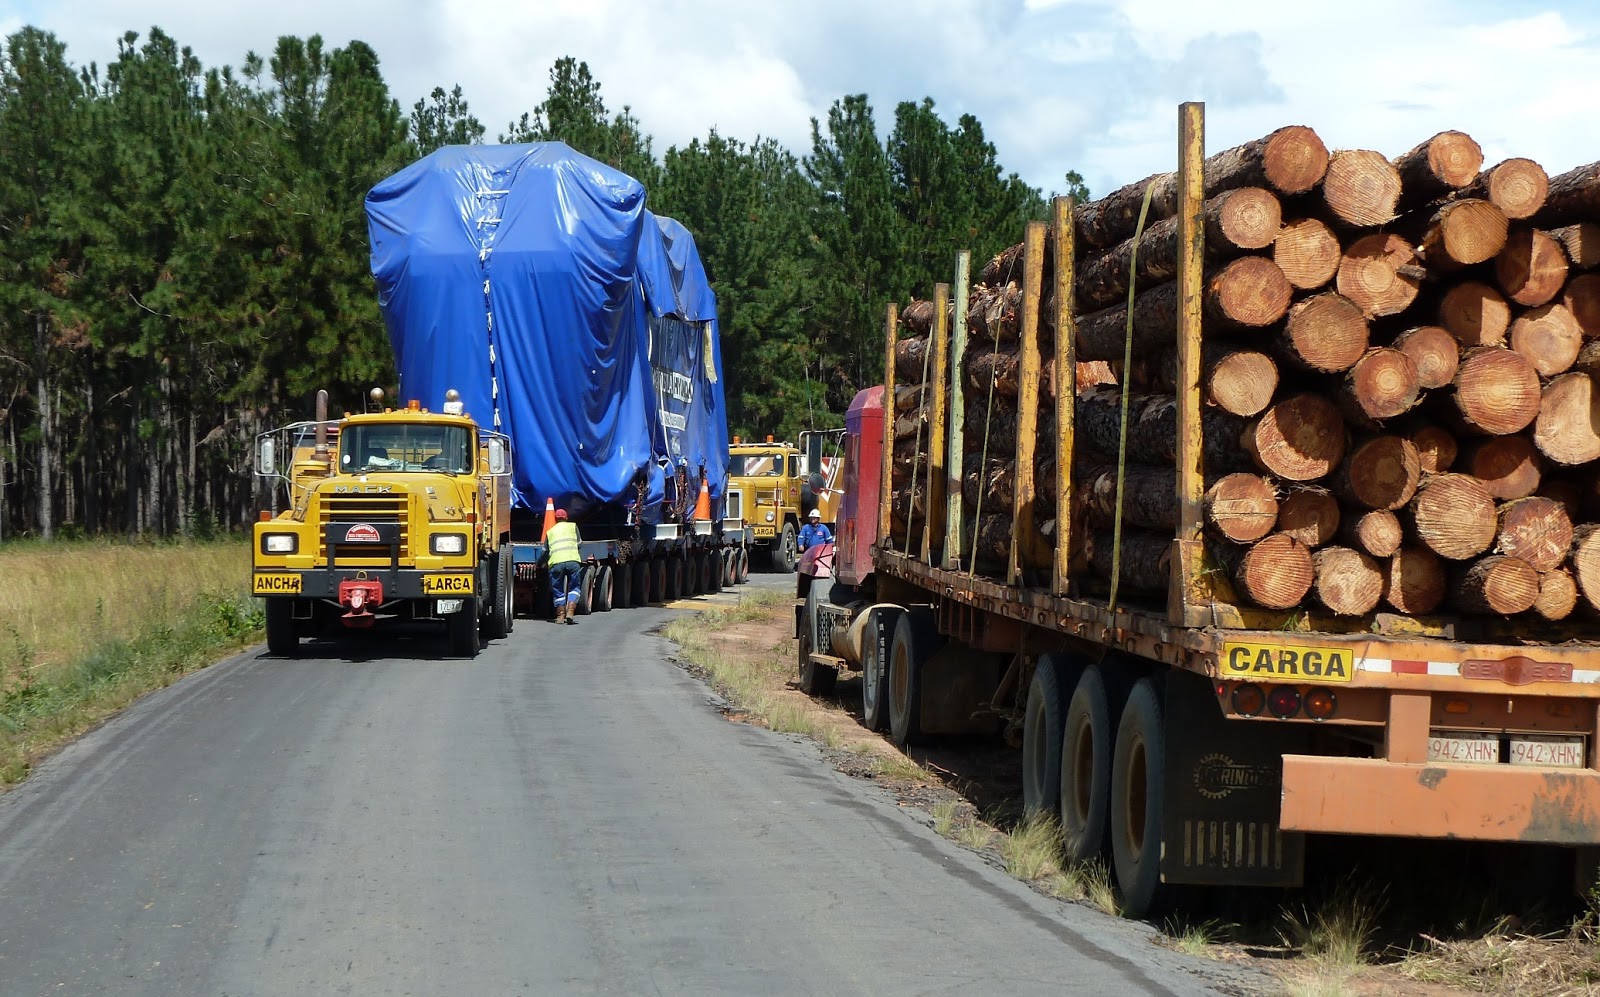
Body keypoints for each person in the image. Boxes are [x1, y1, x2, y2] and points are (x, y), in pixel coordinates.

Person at [545, 509, 584, 624]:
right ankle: (570, 612)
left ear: (555, 519)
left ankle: (560, 615)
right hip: (573, 561)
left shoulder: (550, 531)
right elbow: (580, 544)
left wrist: (539, 563)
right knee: (575, 587)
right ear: (566, 518)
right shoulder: (573, 527)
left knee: (558, 589)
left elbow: (545, 551)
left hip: (556, 563)